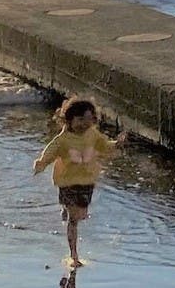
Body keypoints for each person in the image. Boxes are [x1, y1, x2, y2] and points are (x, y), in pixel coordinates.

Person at [32, 98, 128, 269]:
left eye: (89, 119)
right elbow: (50, 151)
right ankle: (74, 255)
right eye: (80, 119)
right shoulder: (63, 139)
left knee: (81, 214)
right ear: (69, 120)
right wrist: (42, 163)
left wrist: (116, 144)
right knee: (74, 218)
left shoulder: (93, 134)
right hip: (67, 182)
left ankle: (68, 211)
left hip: (87, 181)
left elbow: (104, 146)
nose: (85, 123)